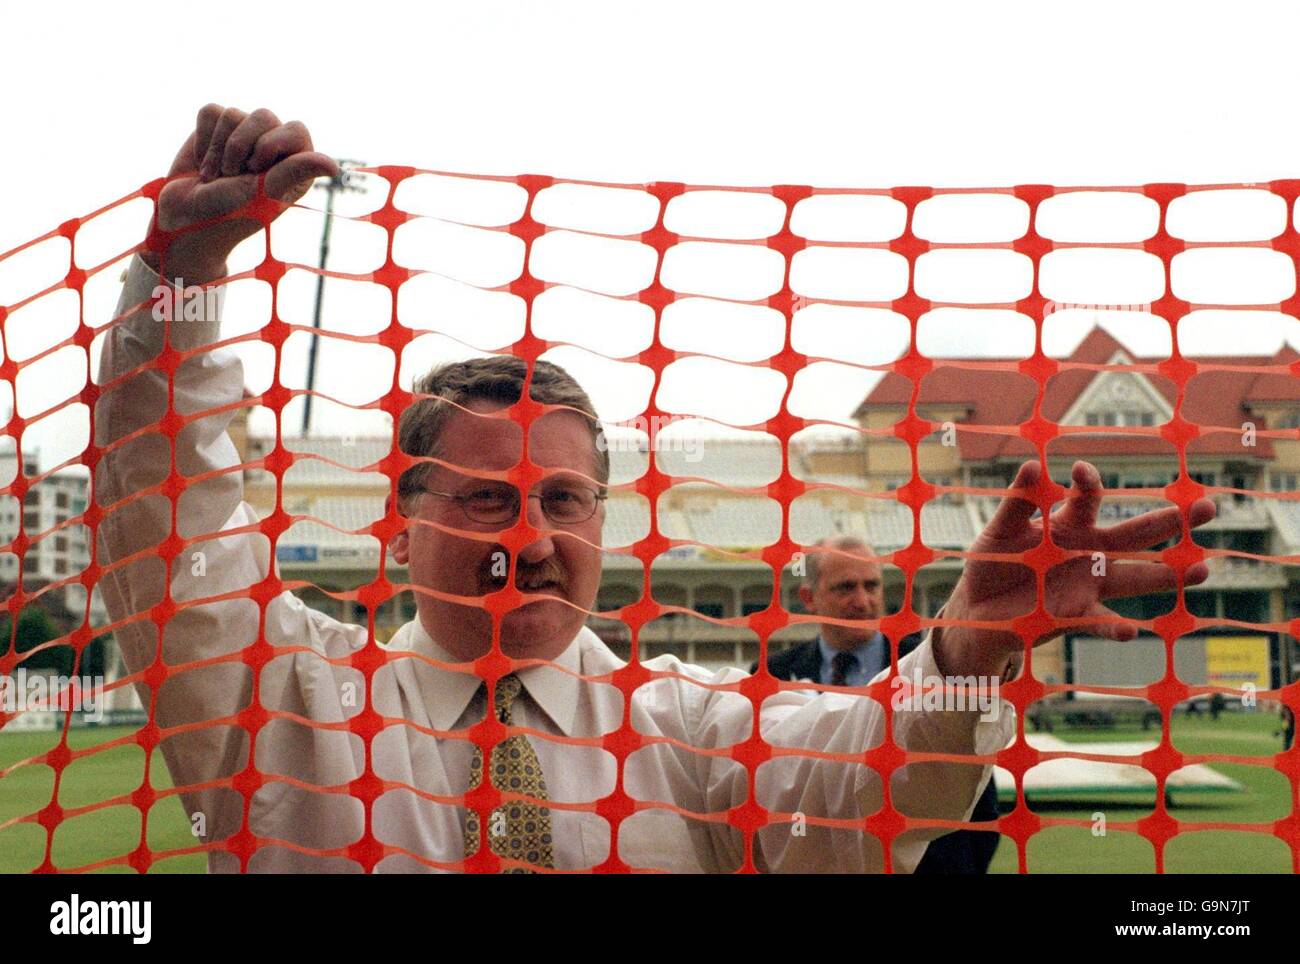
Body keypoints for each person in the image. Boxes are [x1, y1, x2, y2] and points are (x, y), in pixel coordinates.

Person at [93, 104, 1218, 873]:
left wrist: (971, 655)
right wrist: (184, 280)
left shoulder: (686, 726)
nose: (530, 538)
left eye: (565, 501)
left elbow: (859, 794)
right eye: (486, 500)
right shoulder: (281, 694)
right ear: (401, 528)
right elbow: (163, 511)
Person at [751, 536, 1001, 873]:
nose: (863, 600)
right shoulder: (771, 674)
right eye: (845, 588)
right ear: (808, 598)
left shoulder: (931, 668)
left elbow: (977, 803)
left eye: (872, 585)